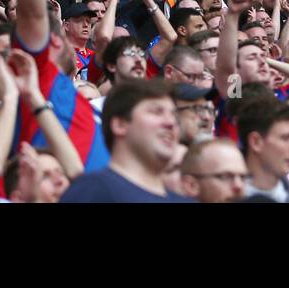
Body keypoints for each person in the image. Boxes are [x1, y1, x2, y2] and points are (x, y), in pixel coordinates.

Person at [60, 79, 192, 203]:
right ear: (120, 125)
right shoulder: (89, 193)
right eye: (156, 112)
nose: (171, 123)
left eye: (174, 115)